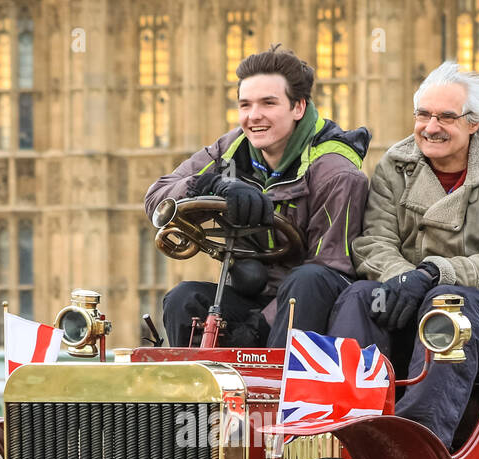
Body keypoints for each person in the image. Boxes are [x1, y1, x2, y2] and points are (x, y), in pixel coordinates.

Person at [328, 60, 479, 446]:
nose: (430, 127)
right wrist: (401, 279)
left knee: (446, 308)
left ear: (473, 123)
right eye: (423, 115)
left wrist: (429, 274)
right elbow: (374, 241)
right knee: (358, 296)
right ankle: (344, 427)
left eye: (446, 117)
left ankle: (417, 445)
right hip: (404, 285)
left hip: (477, 299)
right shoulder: (396, 164)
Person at [144, 45, 371, 348]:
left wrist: (261, 325)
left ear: (298, 107)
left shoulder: (336, 172)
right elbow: (157, 197)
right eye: (245, 105)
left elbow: (331, 269)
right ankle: (203, 390)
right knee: (184, 299)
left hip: (316, 308)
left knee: (307, 281)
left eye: (268, 103)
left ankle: (279, 390)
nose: (254, 116)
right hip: (254, 293)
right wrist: (212, 184)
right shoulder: (232, 149)